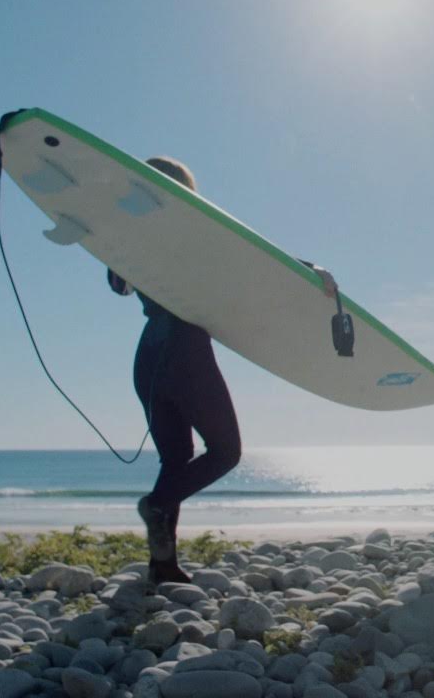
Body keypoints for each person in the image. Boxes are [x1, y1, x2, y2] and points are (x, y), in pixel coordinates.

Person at [109, 156, 337, 584]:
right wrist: (310, 270)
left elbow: (117, 286)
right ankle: (158, 507)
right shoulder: (195, 232)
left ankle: (162, 565)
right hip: (184, 349)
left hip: (148, 356)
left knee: (176, 459)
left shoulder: (130, 234)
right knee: (225, 451)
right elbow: (253, 262)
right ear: (186, 191)